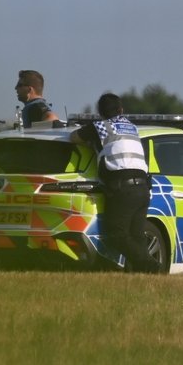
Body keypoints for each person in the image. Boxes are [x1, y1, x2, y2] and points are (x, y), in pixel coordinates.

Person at [71, 92, 160, 272]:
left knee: (116, 236)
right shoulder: (133, 128)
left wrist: (92, 144)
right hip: (143, 187)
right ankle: (140, 275)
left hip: (122, 188)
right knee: (136, 236)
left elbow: (74, 137)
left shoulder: (99, 127)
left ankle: (152, 267)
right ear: (121, 110)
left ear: (100, 113)